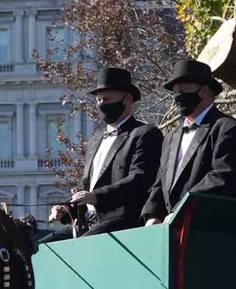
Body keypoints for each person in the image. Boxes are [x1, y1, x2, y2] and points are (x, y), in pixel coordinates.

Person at [48, 66, 163, 237]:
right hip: (88, 221)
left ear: (128, 99)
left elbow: (140, 179)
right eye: (99, 100)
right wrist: (66, 208)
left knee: (85, 246)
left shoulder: (144, 133)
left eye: (107, 99)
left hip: (123, 220)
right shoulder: (96, 139)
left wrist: (97, 197)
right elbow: (86, 188)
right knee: (40, 248)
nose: (102, 104)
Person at [141, 58, 236, 226]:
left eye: (183, 89)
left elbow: (223, 177)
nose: (177, 96)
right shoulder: (171, 136)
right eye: (175, 91)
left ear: (204, 91)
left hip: (208, 225)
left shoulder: (227, 129)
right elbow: (160, 182)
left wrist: (181, 211)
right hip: (170, 228)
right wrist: (152, 215)